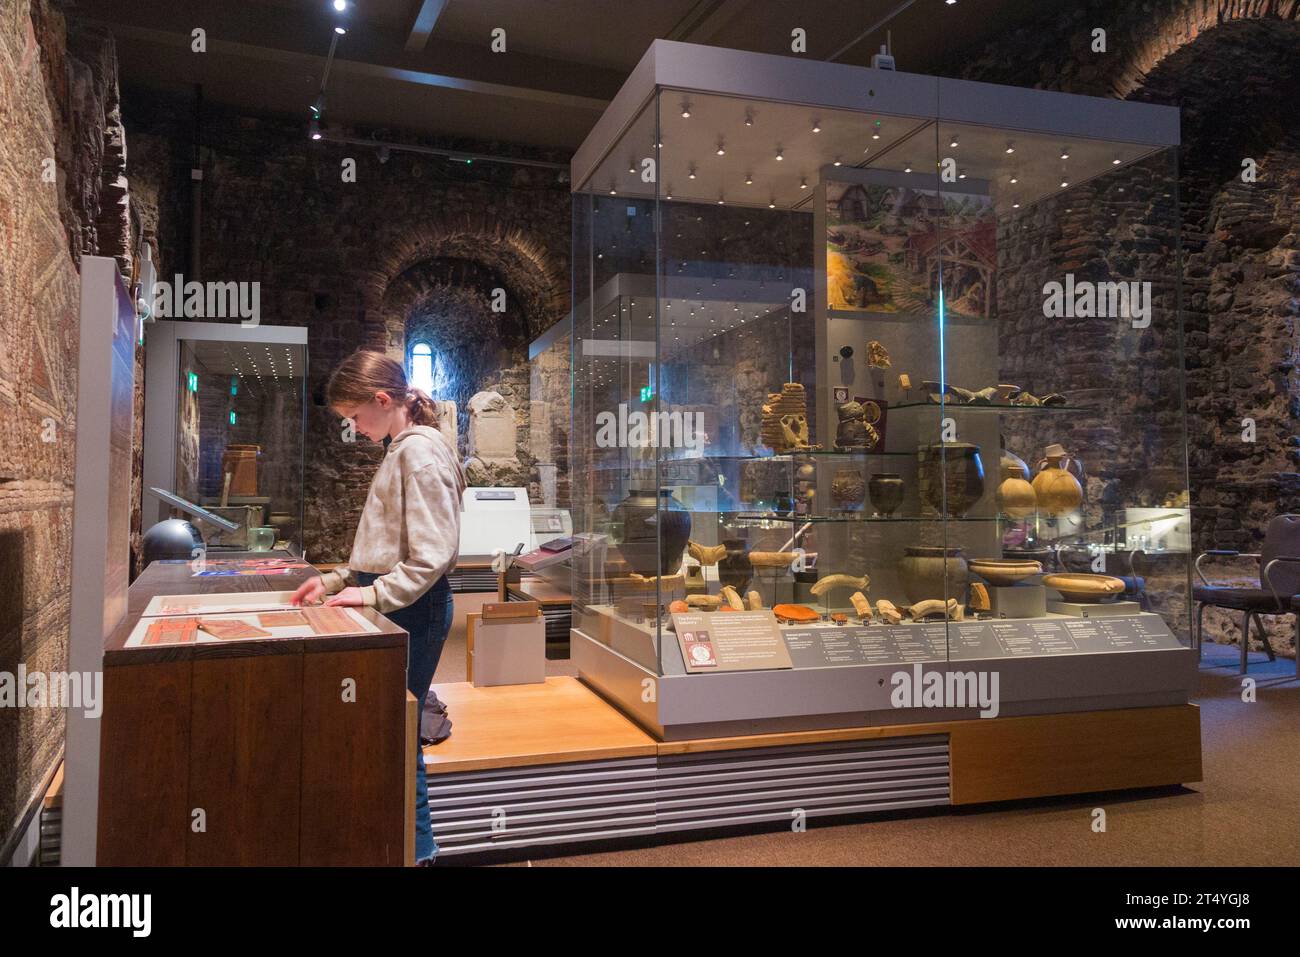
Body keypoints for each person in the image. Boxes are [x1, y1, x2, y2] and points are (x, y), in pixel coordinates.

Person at [292, 349, 466, 866]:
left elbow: (431, 557)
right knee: (386, 727)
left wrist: (369, 594)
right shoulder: (400, 449)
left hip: (413, 607)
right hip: (397, 602)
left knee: (396, 729)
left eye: (355, 417)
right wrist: (335, 580)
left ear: (384, 400)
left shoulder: (421, 453)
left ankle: (420, 852)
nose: (354, 428)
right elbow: (383, 548)